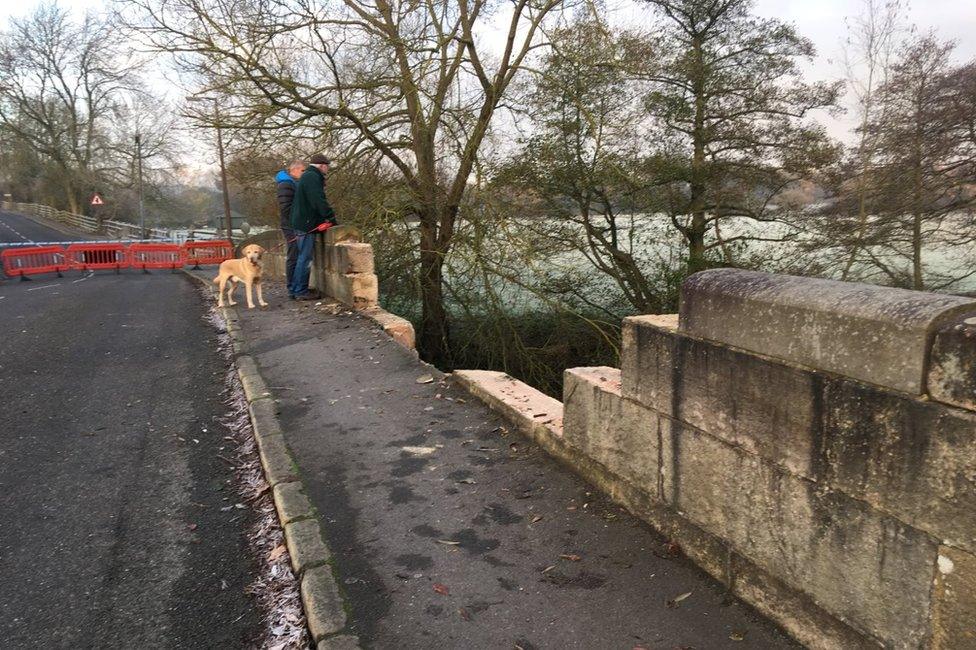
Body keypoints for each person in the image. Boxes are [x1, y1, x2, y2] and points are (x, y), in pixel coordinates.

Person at [289, 153, 336, 300]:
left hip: (302, 221)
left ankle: (296, 289)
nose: (327, 169)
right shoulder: (312, 177)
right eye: (327, 166)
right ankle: (300, 291)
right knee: (305, 258)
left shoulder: (308, 176)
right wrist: (330, 217)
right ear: (322, 166)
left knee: (302, 257)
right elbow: (318, 200)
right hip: (306, 223)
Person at [275, 159, 306, 298]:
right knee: (293, 256)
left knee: (295, 255)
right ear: (294, 170)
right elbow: (286, 208)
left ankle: (294, 287)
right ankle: (292, 288)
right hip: (290, 226)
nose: (304, 173)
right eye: (303, 171)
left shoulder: (292, 183)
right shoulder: (286, 184)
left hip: (293, 225)